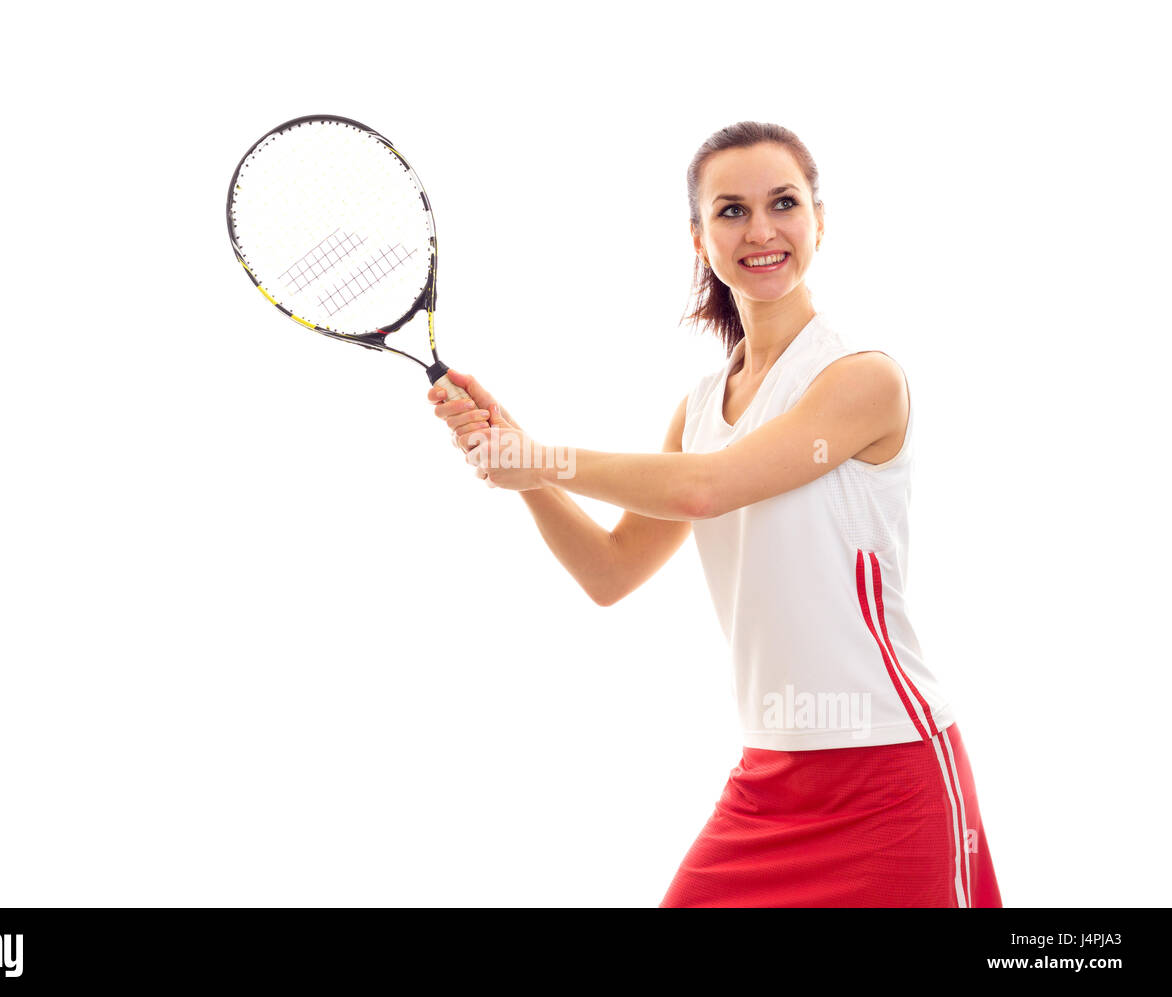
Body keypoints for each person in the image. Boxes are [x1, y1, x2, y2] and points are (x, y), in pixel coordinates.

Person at [426, 121, 1003, 908]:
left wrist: (541, 457)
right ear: (699, 239)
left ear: (820, 221)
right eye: (731, 211)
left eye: (784, 203)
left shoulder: (862, 380)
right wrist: (524, 467)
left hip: (889, 771)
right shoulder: (699, 407)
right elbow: (610, 570)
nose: (761, 230)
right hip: (768, 778)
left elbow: (709, 487)